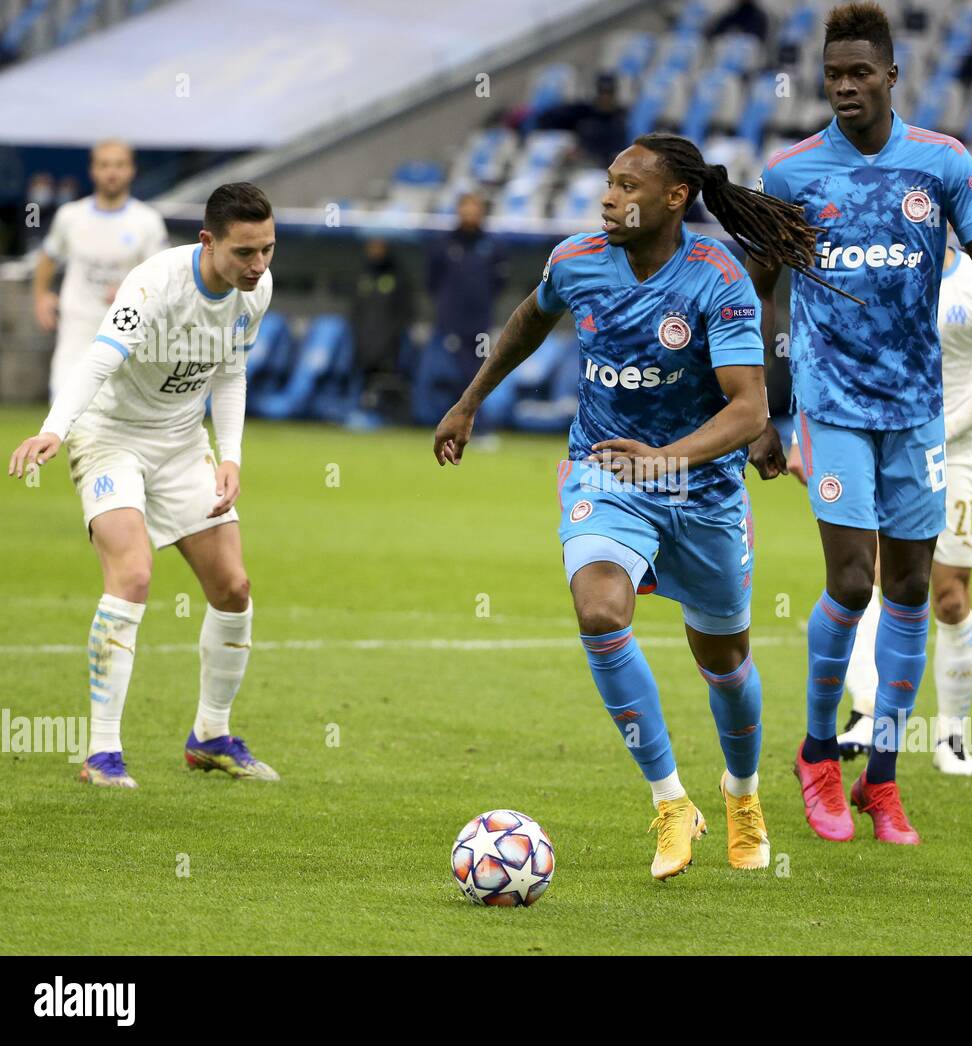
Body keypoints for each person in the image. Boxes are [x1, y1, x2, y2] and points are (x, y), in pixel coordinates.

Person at [433, 133, 818, 880]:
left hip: (701, 491)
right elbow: (527, 320)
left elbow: (747, 411)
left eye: (626, 186)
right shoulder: (576, 261)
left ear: (675, 198)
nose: (609, 197)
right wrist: (469, 401)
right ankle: (672, 804)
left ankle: (741, 797)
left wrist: (669, 459)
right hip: (605, 474)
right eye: (606, 183)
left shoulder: (719, 278)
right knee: (602, 614)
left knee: (725, 661)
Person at [747, 1, 972, 845]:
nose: (843, 87)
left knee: (911, 588)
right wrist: (766, 409)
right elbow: (759, 291)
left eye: (858, 73)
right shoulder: (792, 174)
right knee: (851, 583)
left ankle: (883, 778)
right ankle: (815, 756)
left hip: (918, 416)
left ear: (891, 76)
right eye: (832, 75)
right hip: (832, 409)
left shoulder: (940, 164)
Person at [7, 183, 279, 789]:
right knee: (131, 576)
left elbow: (231, 372)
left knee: (234, 588)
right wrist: (56, 428)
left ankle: (210, 736)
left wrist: (229, 456)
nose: (258, 266)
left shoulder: (253, 292)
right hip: (111, 436)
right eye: (245, 253)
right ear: (208, 241)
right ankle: (102, 755)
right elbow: (100, 360)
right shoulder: (154, 284)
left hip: (183, 444)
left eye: (268, 250)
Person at [831, 243, 972, 774]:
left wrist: (936, 433)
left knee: (948, 596)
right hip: (881, 448)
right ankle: (866, 714)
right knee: (870, 580)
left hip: (950, 457)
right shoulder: (880, 266)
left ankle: (951, 735)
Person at [33, 140, 168, 398]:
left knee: (119, 416)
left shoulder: (147, 221)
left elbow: (162, 276)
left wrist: (130, 290)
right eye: (104, 165)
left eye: (119, 165)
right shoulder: (70, 216)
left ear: (131, 170)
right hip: (77, 328)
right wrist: (41, 296)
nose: (111, 172)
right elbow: (48, 257)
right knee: (64, 405)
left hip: (126, 331)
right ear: (93, 170)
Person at [418, 192, 508, 426]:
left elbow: (499, 283)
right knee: (452, 374)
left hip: (479, 325)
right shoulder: (443, 244)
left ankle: (480, 427)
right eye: (466, 207)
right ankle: (448, 425)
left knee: (479, 375)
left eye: (474, 208)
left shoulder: (493, 245)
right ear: (458, 210)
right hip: (451, 324)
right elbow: (432, 282)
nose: (470, 213)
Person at [350, 237, 414, 421]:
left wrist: (390, 337)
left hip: (389, 345)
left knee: (386, 380)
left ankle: (386, 417)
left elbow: (406, 312)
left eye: (379, 246)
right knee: (363, 380)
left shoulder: (398, 277)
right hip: (364, 343)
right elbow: (355, 311)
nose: (375, 250)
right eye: (372, 246)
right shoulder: (362, 275)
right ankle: (362, 415)